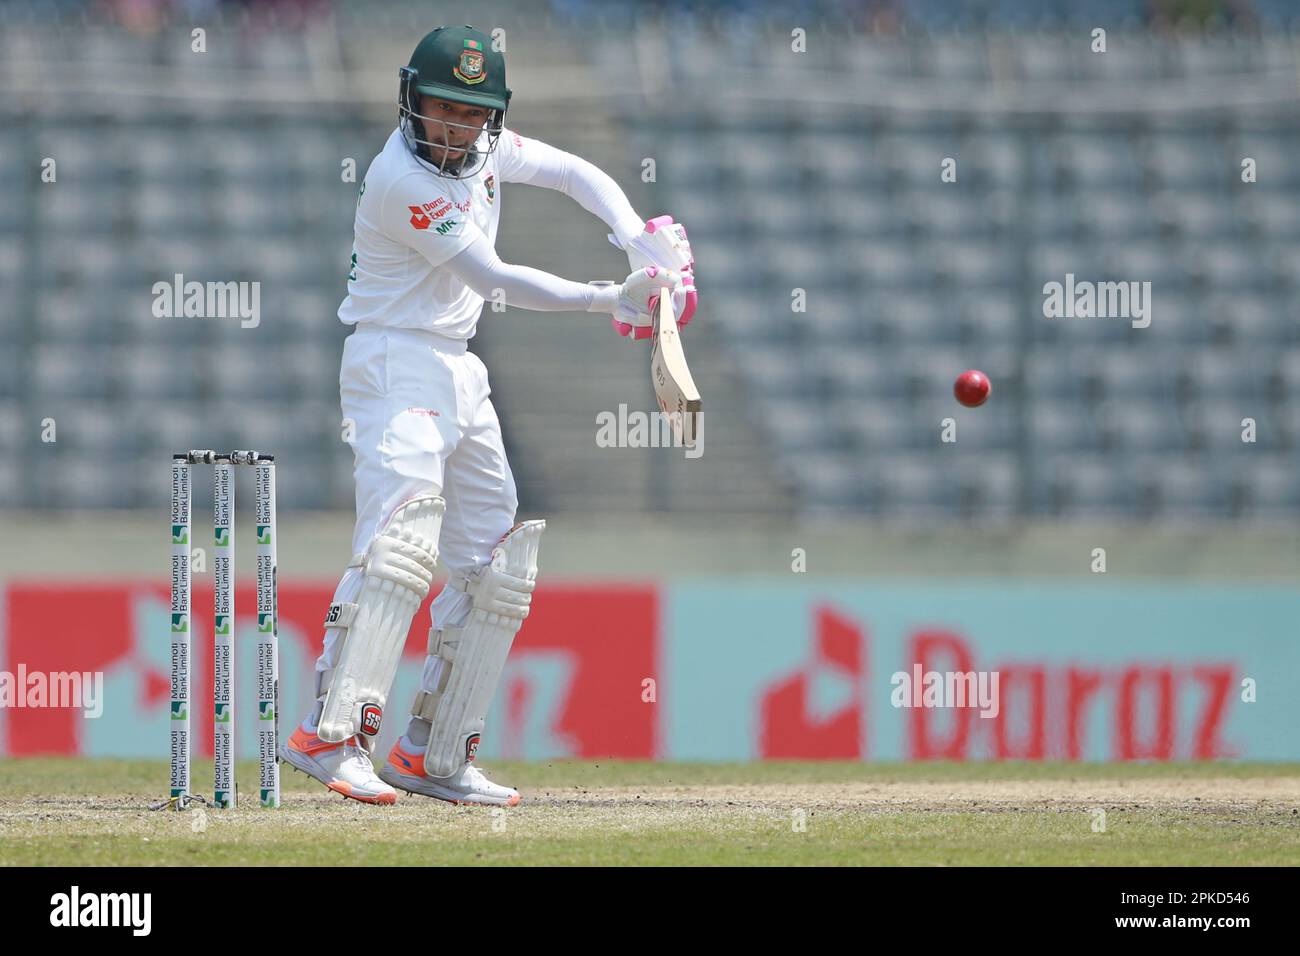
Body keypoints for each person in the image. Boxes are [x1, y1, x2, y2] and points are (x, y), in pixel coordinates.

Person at [277, 24, 698, 806]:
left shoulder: (485, 147)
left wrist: (638, 238)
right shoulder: (400, 179)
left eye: (473, 114)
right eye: (443, 110)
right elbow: (493, 274)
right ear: (412, 103)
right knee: (401, 541)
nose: (457, 128)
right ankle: (328, 735)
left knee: (496, 564)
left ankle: (433, 753)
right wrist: (612, 298)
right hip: (394, 358)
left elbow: (573, 172)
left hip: (458, 366)